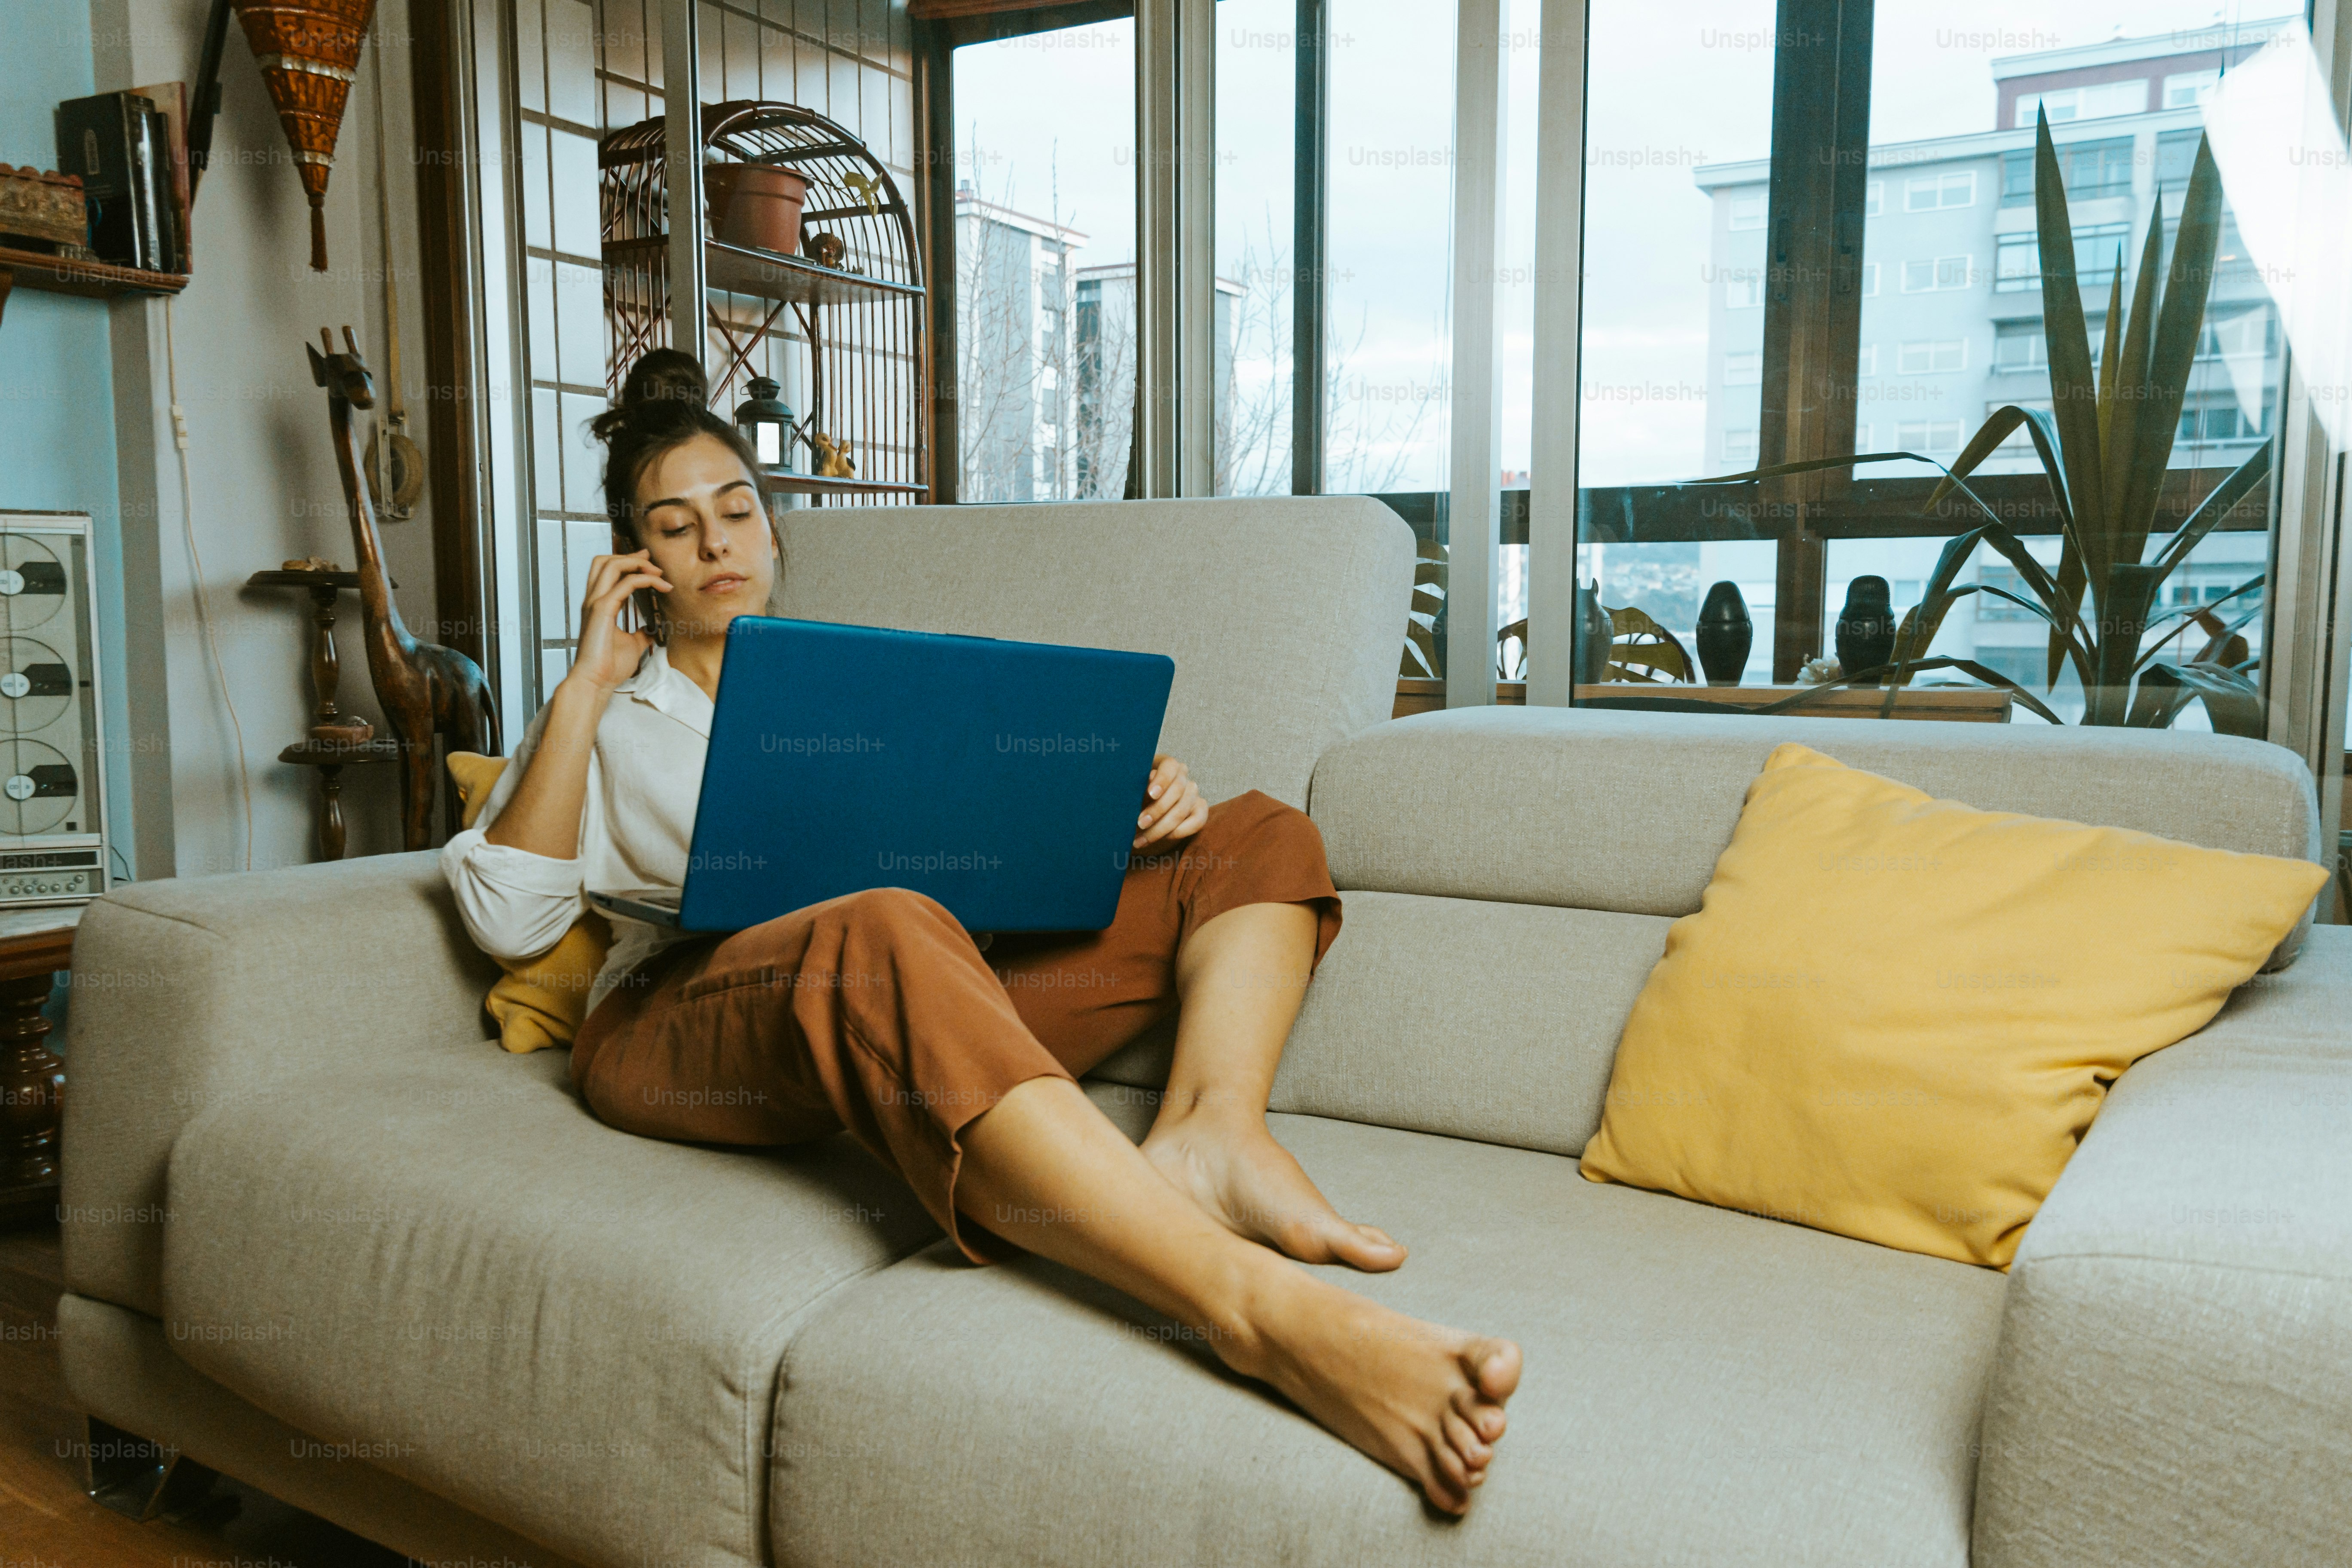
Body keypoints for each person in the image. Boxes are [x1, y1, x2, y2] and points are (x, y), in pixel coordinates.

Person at [439, 349, 1520, 1513]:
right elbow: (512, 919)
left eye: (738, 509)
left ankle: (1212, 1134)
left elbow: (973, 858)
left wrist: (1122, 819)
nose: (718, 543)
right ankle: (1257, 1315)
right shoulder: (611, 722)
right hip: (676, 1022)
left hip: (912, 977)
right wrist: (584, 690)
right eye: (678, 523)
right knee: (883, 927)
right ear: (635, 559)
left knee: (1253, 832)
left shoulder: (865, 687)